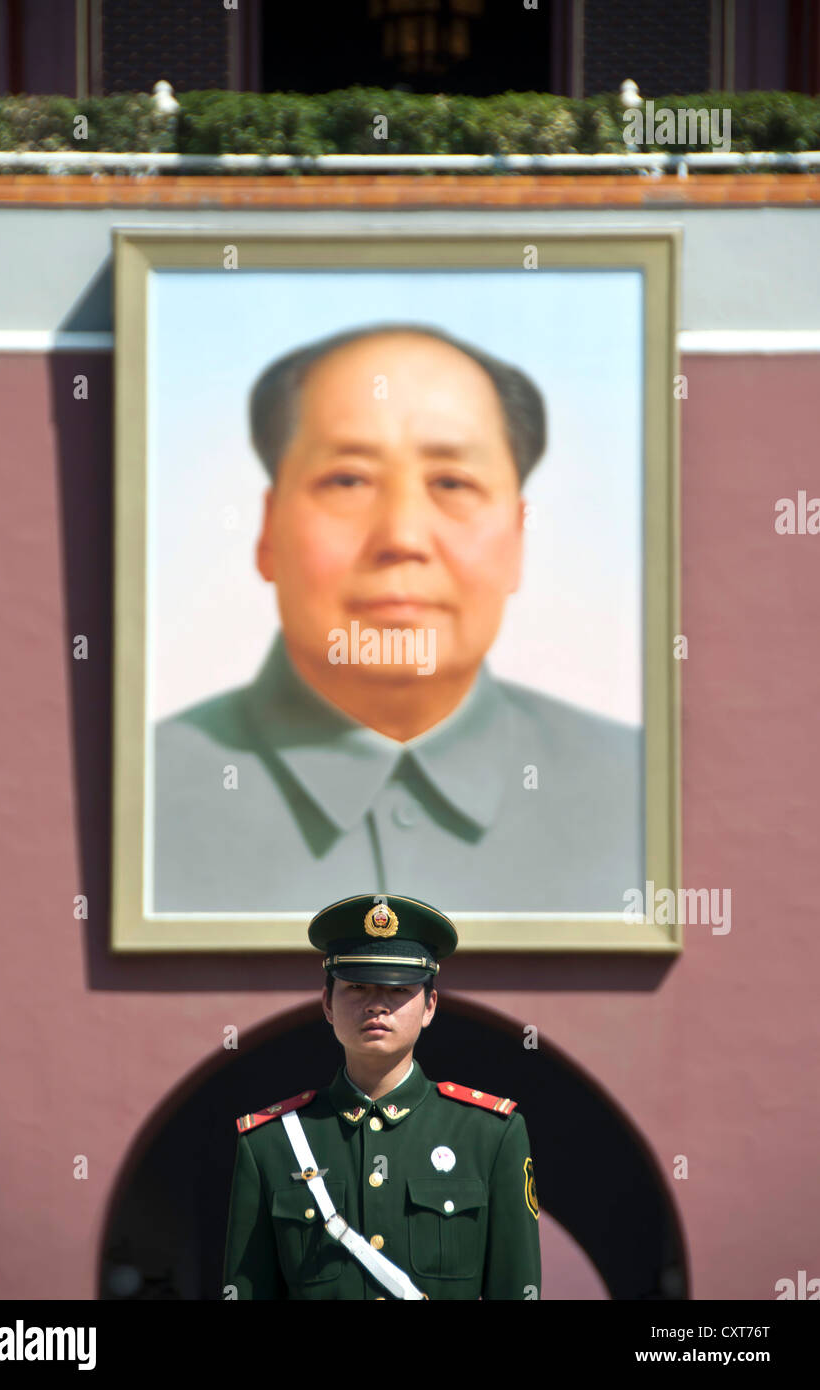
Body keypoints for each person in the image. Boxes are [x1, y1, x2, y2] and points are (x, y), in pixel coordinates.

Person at [155, 322, 642, 913]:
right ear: (267, 530)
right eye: (349, 480)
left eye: (453, 482)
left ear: (517, 538)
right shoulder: (139, 796)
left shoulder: (645, 797)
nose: (402, 537)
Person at [222, 893, 541, 1300]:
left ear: (429, 1007)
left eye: (397, 989)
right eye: (356, 987)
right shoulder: (270, 1143)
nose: (376, 1005)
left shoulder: (491, 1135)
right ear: (327, 1005)